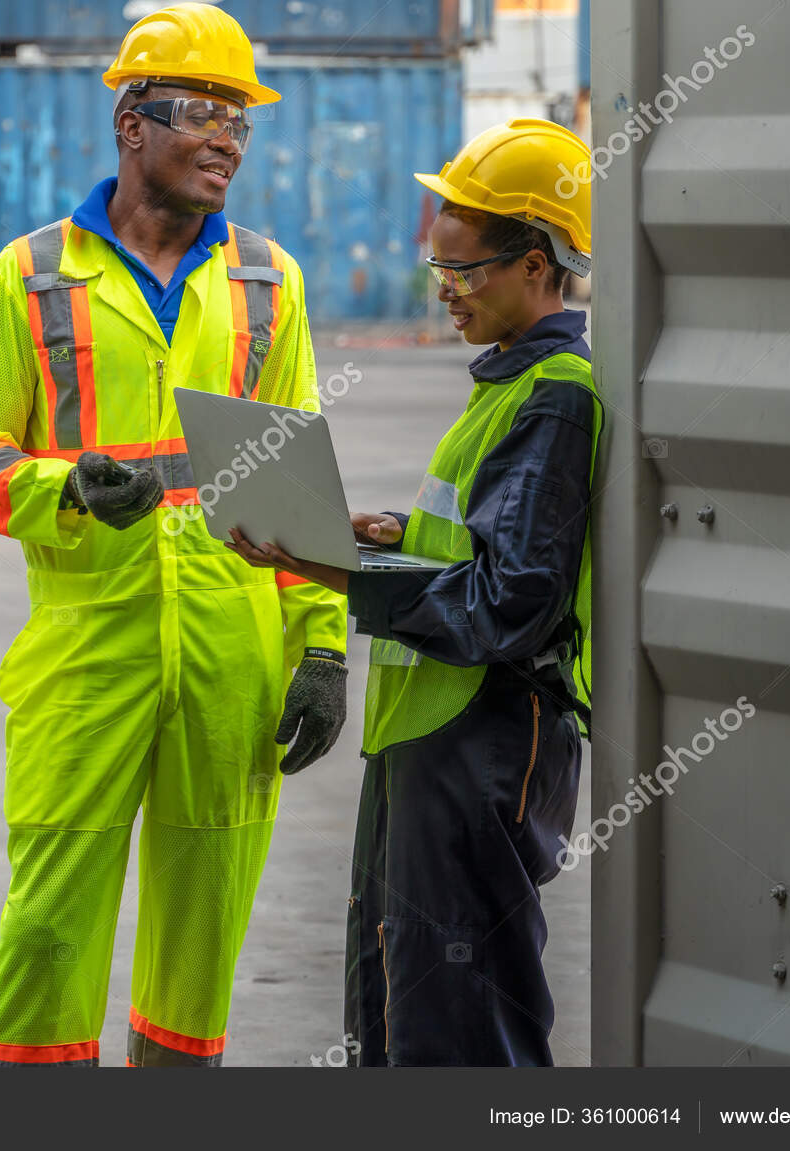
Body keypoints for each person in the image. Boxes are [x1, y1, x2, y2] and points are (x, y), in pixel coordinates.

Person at [0, 2, 348, 1068]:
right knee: (46, 928)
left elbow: (299, 489)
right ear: (131, 125)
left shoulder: (269, 283)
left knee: (202, 940)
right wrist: (65, 488)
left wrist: (317, 646)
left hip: (232, 660)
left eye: (239, 118)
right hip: (87, 655)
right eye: (198, 111)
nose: (224, 136)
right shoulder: (29, 279)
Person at [226, 118, 602, 1066]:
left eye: (463, 272)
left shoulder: (556, 393)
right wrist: (404, 535)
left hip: (483, 739)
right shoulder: (507, 384)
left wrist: (332, 571)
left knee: (463, 1024)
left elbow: (508, 604)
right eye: (437, 270)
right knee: (395, 1001)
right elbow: (490, 541)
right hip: (428, 734)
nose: (446, 294)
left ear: (538, 263)